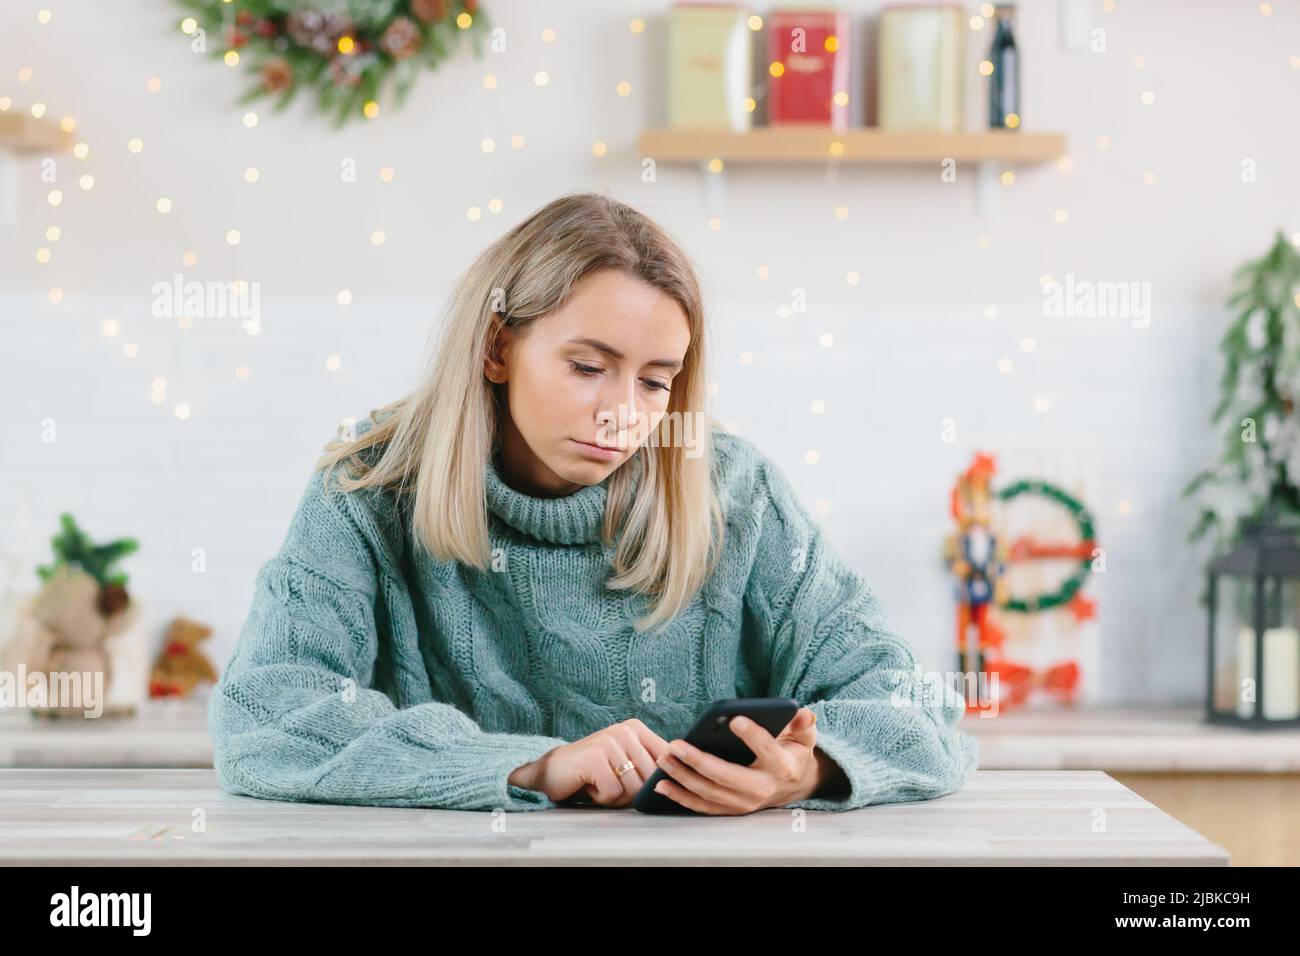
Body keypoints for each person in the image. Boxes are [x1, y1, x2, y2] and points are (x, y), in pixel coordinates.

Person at [208, 191, 979, 814]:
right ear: (497, 348)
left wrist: (804, 774)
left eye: (654, 381)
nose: (623, 414)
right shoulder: (368, 487)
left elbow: (920, 707)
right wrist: (531, 766)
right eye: (587, 366)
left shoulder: (737, 493)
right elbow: (265, 715)